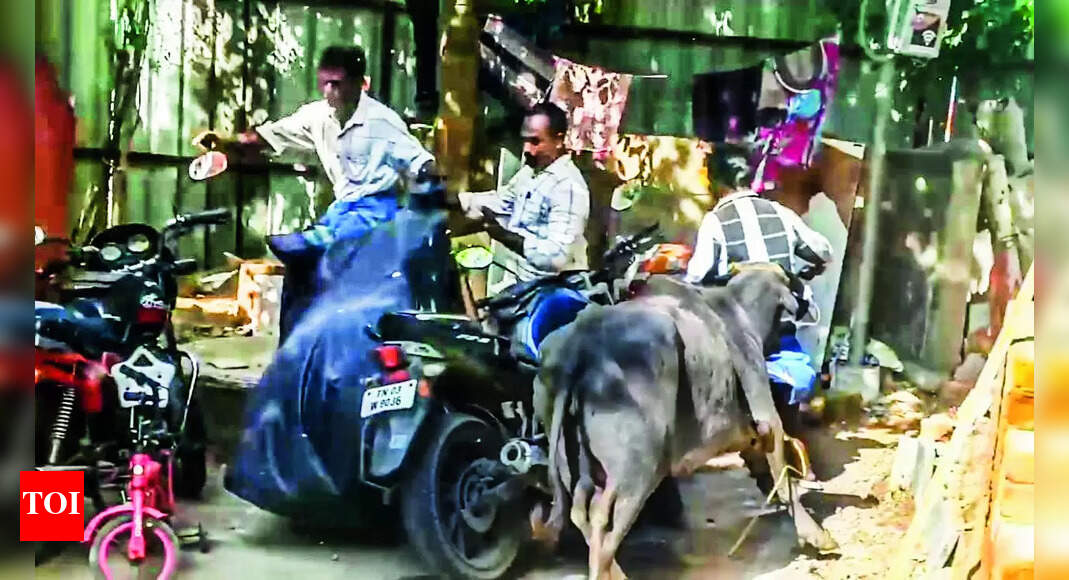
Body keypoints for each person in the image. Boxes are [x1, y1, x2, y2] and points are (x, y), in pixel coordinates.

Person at [206, 45, 440, 340]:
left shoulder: (383, 122)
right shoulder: (317, 116)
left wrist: (432, 193)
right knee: (299, 269)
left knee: (315, 249)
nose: (330, 92)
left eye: (338, 84)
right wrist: (225, 141)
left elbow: (422, 163)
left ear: (359, 84)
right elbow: (269, 136)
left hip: (378, 211)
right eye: (325, 83)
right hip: (342, 210)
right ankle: (292, 347)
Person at [458, 102, 589, 282]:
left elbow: (557, 256)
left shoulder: (568, 188)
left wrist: (504, 236)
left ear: (558, 140)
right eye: (525, 140)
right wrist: (453, 201)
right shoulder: (531, 172)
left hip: (551, 289)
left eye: (535, 141)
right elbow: (502, 202)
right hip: (520, 279)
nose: (527, 149)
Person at [685, 143, 832, 286]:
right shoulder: (781, 213)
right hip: (783, 305)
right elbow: (823, 252)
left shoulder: (715, 221)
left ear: (716, 182)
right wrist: (812, 270)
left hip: (737, 307)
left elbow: (697, 275)